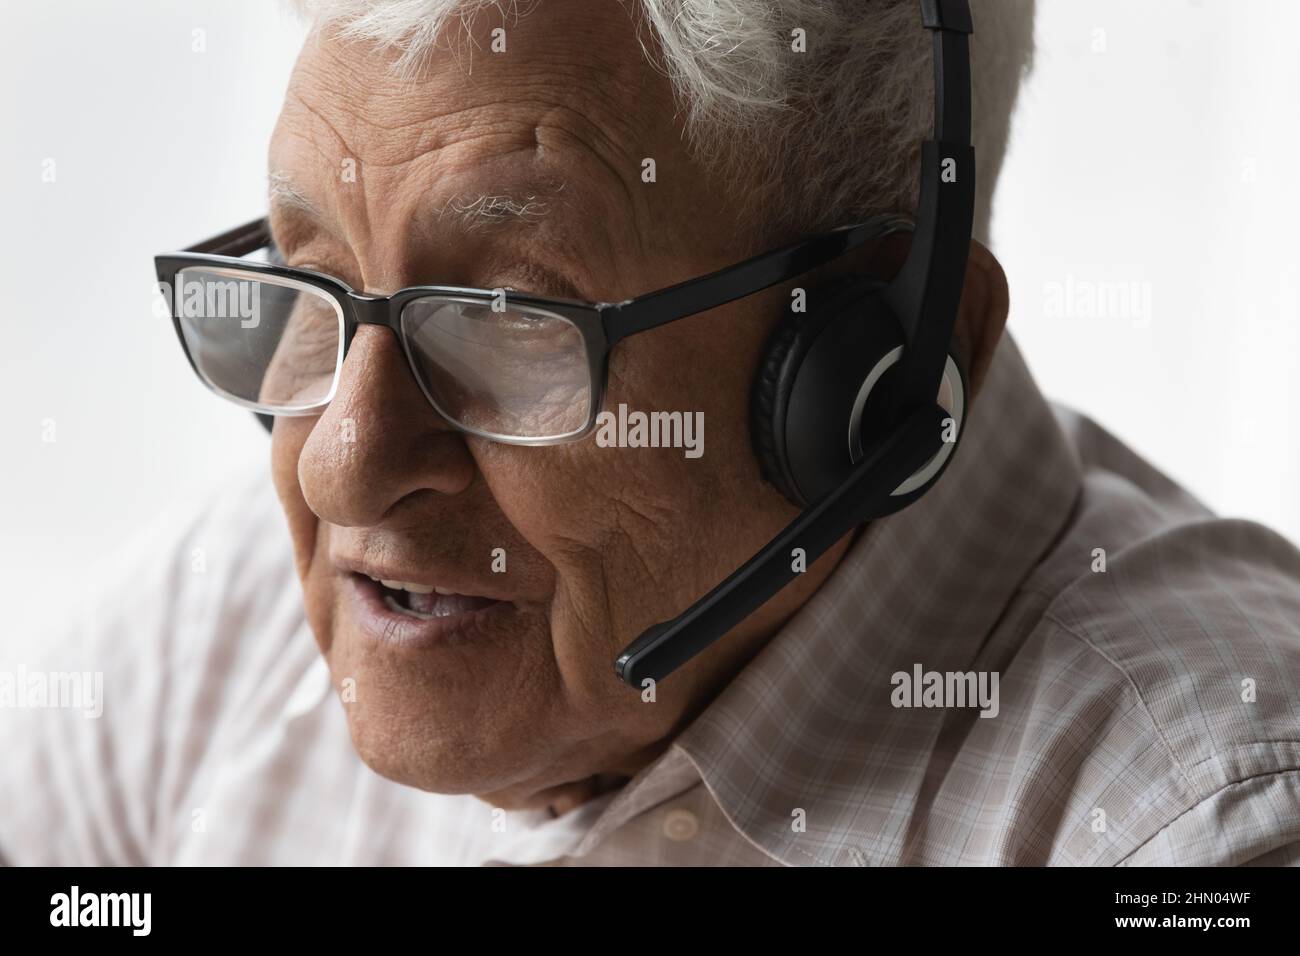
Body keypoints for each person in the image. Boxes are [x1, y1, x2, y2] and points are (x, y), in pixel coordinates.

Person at [3, 0, 1298, 866]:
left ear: (879, 380)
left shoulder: (1194, 829)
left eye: (509, 322)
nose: (343, 463)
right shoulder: (215, 636)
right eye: (310, 277)